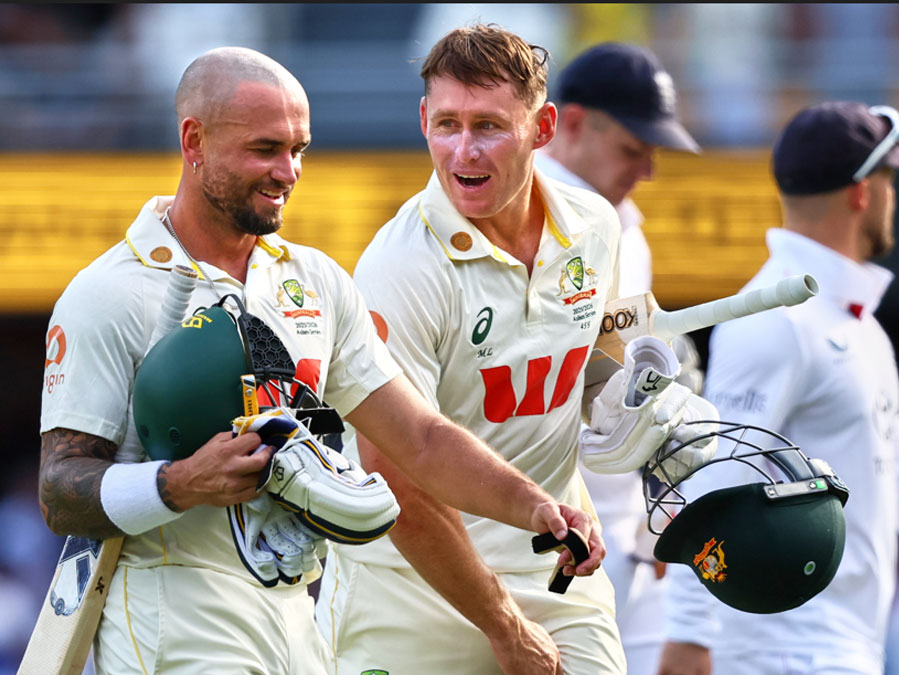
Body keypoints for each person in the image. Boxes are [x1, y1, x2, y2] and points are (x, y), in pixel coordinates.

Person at [37, 46, 603, 674]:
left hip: (299, 615)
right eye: (265, 149)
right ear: (193, 141)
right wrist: (178, 483)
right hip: (176, 609)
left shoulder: (316, 280)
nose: (288, 171)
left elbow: (417, 436)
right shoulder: (107, 292)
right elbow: (60, 491)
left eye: (298, 149)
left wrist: (532, 506)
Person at [317, 24, 713, 675]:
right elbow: (399, 472)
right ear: (422, 120)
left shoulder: (597, 227)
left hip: (560, 570)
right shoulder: (397, 268)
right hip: (415, 591)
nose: (462, 151)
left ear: (544, 125)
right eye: (446, 123)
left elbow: (592, 372)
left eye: (489, 126)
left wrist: (666, 428)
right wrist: (504, 623)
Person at [658, 101, 899, 675]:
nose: (894, 196)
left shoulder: (855, 328)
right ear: (862, 192)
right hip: (780, 654)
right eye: (889, 178)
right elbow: (715, 479)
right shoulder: (776, 322)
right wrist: (687, 636)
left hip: (834, 649)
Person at [534, 42, 702, 675]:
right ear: (572, 122)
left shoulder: (626, 227)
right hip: (552, 534)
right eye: (635, 147)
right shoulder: (528, 215)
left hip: (629, 530)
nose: (649, 169)